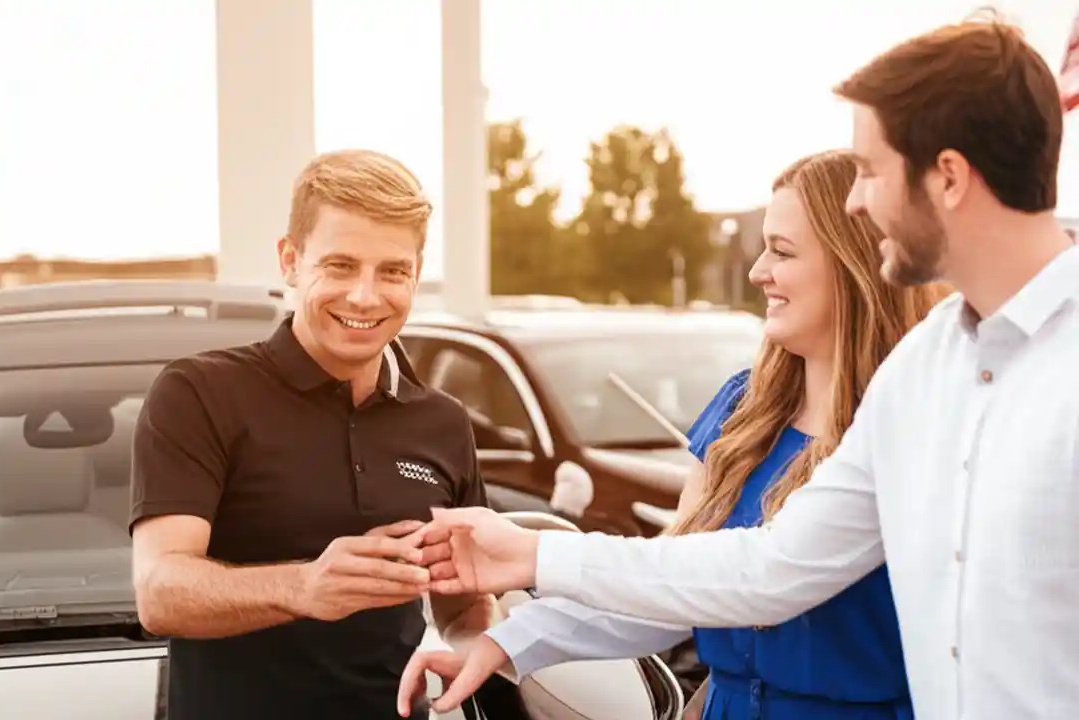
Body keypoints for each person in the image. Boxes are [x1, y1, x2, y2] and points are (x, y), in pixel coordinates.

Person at [413, 15, 1079, 720]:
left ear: (947, 177)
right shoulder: (922, 369)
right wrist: (531, 565)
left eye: (872, 171)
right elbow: (769, 569)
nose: (857, 199)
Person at [399, 150, 945, 719]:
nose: (758, 271)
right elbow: (673, 584)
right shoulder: (744, 409)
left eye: (782, 251)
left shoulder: (914, 423)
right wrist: (504, 645)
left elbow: (762, 575)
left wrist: (534, 554)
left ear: (853, 265)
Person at [129, 149, 497, 719]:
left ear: (416, 275)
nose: (365, 297)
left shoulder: (443, 423)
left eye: (392, 271)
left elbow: (464, 602)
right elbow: (159, 592)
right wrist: (304, 588)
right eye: (341, 265)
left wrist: (476, 646)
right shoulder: (199, 394)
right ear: (291, 261)